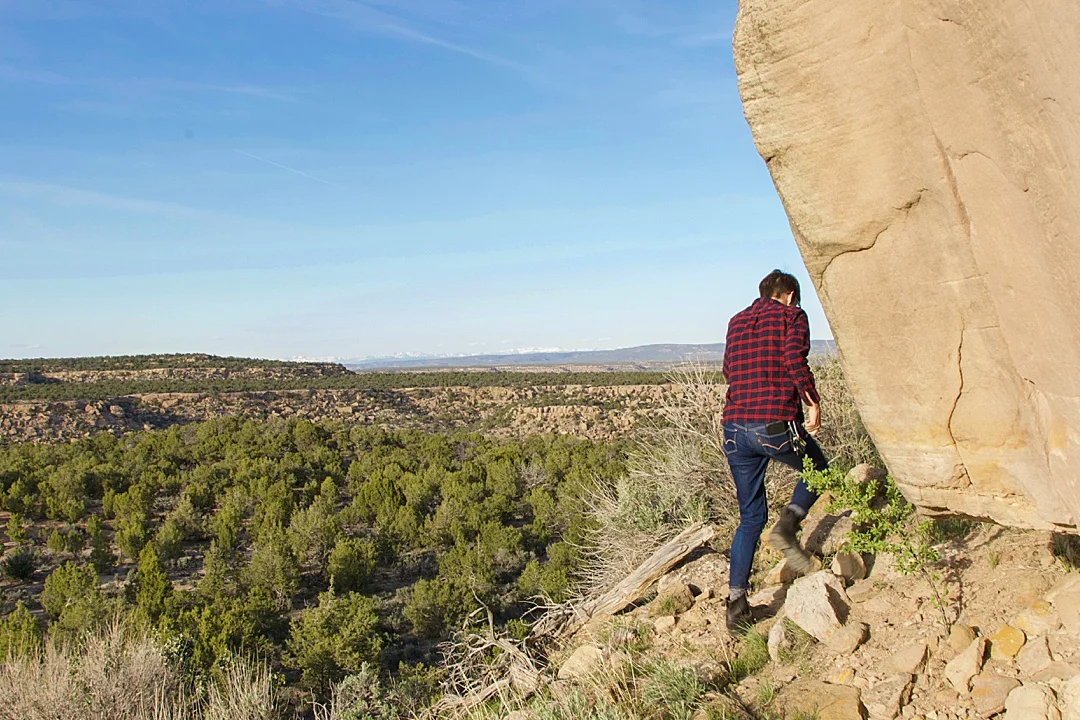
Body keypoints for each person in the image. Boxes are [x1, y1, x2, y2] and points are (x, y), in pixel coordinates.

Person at [721, 269, 830, 635]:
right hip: (774, 422)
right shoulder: (791, 316)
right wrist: (811, 401)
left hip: (735, 428)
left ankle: (736, 606)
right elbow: (795, 361)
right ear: (789, 295)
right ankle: (787, 525)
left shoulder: (736, 321)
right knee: (818, 469)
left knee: (750, 517)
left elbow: (728, 370)